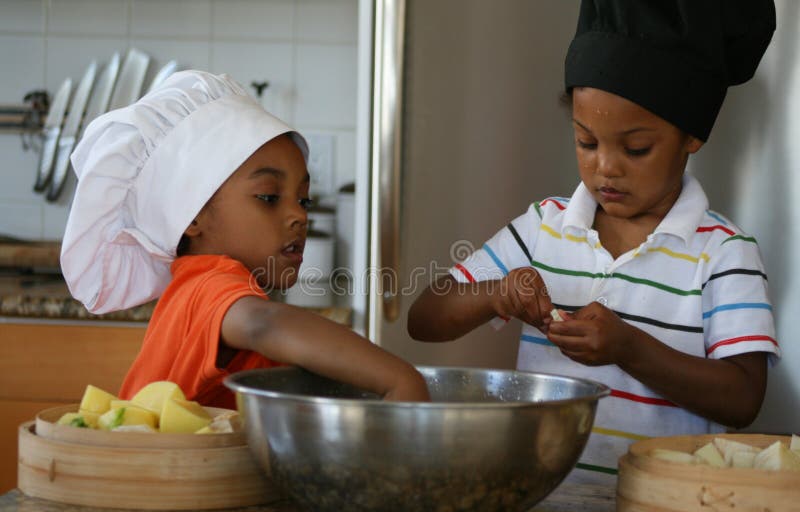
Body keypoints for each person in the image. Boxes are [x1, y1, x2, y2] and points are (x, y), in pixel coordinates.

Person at [407, 0, 779, 484]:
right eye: (587, 142)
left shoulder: (724, 253)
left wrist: (629, 348)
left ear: (691, 136)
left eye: (636, 148)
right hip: (538, 505)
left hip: (662, 510)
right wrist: (496, 294)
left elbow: (744, 397)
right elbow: (426, 318)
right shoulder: (545, 227)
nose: (606, 167)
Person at [60, 70, 429, 409]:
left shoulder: (207, 285)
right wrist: (399, 379)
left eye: (304, 200)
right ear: (194, 217)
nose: (299, 215)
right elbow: (264, 324)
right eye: (269, 197)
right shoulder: (208, 282)